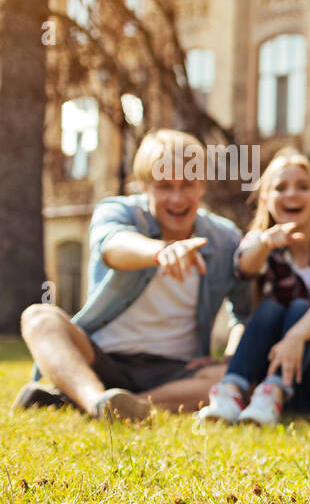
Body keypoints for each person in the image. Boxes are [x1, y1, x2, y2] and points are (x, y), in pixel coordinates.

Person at [14, 129, 250, 420]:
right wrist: (159, 252)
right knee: (38, 316)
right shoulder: (119, 211)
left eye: (187, 184)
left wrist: (229, 356)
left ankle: (108, 404)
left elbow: (244, 314)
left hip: (176, 372)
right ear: (144, 186)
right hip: (103, 358)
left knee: (237, 374)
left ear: (202, 185)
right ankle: (96, 401)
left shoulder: (224, 239)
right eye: (164, 186)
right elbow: (112, 246)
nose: (177, 198)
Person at [198, 148, 310, 425]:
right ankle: (232, 391)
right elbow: (243, 267)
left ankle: (272, 392)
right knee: (269, 308)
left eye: (303, 187)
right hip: (299, 388)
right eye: (281, 188)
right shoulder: (261, 245)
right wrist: (267, 243)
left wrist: (295, 337)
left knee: (300, 307)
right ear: (266, 199)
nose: (292, 194)